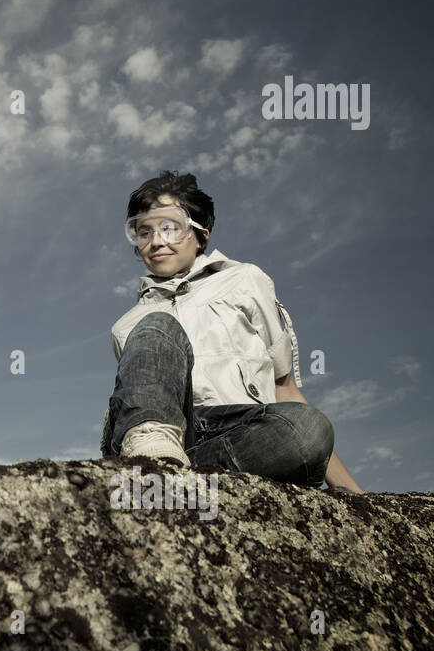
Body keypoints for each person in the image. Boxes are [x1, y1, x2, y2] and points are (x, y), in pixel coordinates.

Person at [100, 170, 365, 493]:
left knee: (308, 427)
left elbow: (284, 386)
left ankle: (178, 480)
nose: (156, 241)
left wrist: (360, 497)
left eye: (169, 228)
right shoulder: (128, 325)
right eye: (143, 232)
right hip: (172, 432)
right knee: (157, 324)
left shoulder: (246, 280)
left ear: (201, 234)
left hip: (240, 433)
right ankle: (154, 463)